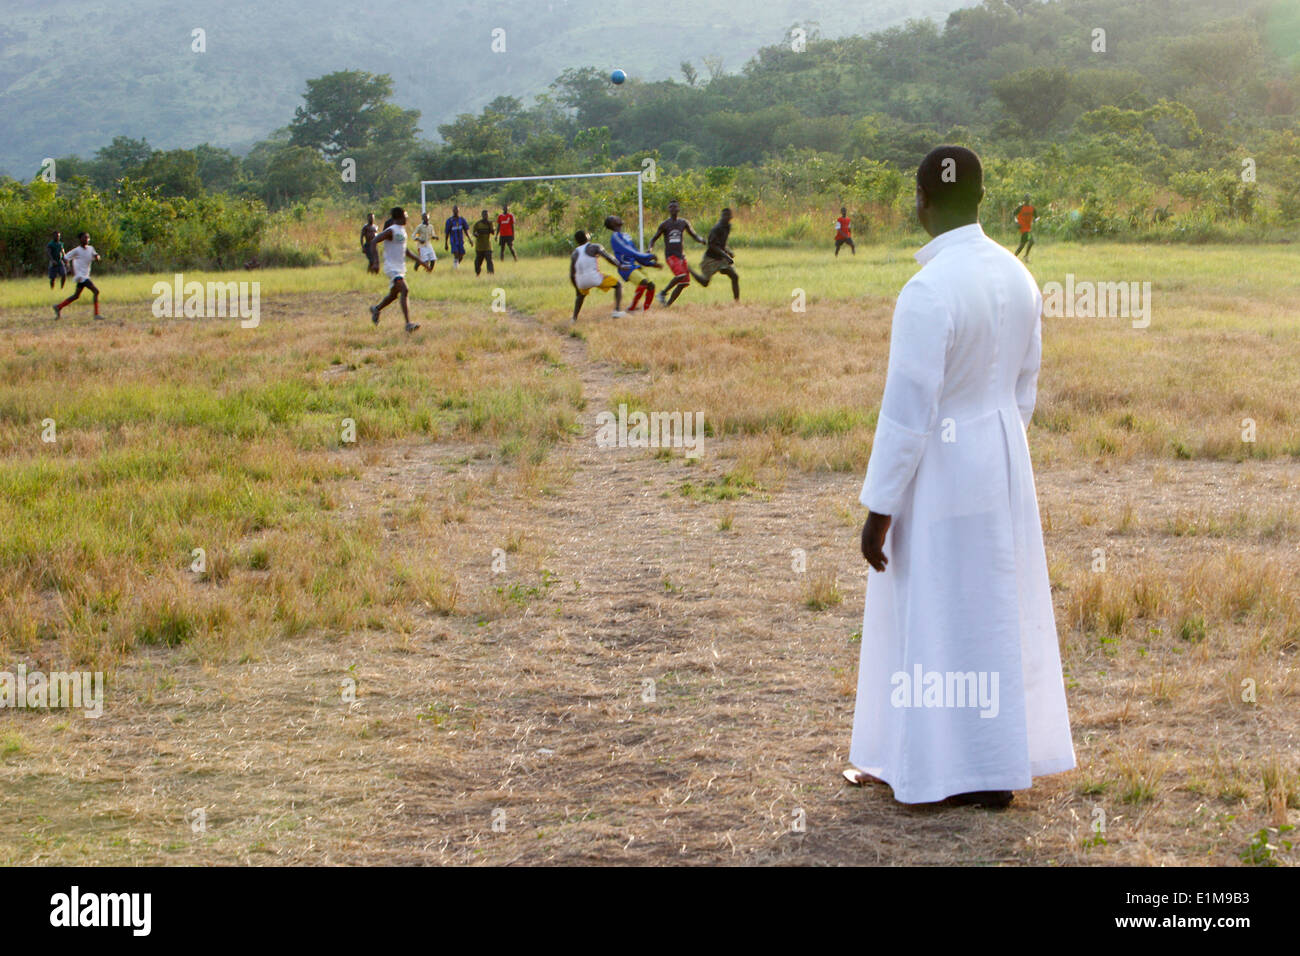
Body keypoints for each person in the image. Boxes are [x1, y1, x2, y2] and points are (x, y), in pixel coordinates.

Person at [847, 146, 1074, 809]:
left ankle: (928, 771)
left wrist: (879, 508)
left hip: (940, 470)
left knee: (933, 613)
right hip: (1002, 456)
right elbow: (1025, 390)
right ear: (980, 200)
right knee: (991, 612)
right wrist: (998, 447)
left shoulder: (927, 289)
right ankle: (993, 769)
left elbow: (908, 413)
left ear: (922, 202)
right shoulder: (1016, 275)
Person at [368, 206, 419, 333]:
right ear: (400, 217)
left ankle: (376, 309)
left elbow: (405, 250)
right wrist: (375, 262)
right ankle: (408, 324)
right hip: (391, 268)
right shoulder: (391, 230)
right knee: (404, 289)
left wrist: (421, 262)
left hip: (400, 268)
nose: (407, 217)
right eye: (406, 215)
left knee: (393, 295)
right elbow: (374, 241)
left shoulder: (402, 231)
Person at [649, 200, 706, 306]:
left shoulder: (683, 223)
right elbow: (653, 239)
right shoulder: (665, 225)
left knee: (684, 282)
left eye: (675, 207)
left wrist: (701, 240)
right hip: (671, 255)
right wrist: (650, 248)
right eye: (671, 207)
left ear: (678, 209)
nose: (673, 209)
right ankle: (662, 293)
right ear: (668, 210)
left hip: (681, 256)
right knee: (680, 275)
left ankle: (667, 305)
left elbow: (694, 235)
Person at [605, 214, 661, 311]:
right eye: (615, 218)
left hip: (634, 266)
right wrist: (647, 256)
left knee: (651, 286)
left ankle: (646, 310)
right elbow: (628, 250)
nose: (618, 217)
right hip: (626, 268)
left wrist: (650, 264)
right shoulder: (615, 236)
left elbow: (635, 253)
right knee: (643, 283)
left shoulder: (626, 236)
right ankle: (632, 307)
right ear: (612, 224)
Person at [570, 229, 624, 321]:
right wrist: (619, 265)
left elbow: (572, 275)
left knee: (580, 296)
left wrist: (577, 289)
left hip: (581, 282)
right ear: (587, 236)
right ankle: (617, 311)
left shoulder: (574, 253)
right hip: (595, 278)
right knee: (618, 285)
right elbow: (608, 257)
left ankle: (574, 318)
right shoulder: (594, 247)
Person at [53, 232, 102, 319]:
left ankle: (59, 307)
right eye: (84, 238)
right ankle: (96, 314)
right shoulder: (77, 250)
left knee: (76, 296)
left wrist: (97, 257)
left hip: (85, 275)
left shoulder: (91, 249)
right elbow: (65, 258)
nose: (86, 240)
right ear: (80, 239)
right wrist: (69, 268)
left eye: (88, 238)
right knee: (96, 291)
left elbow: (96, 257)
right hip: (80, 276)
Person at [695, 207, 740, 301]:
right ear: (721, 216)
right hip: (711, 258)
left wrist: (728, 251)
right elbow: (712, 245)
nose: (726, 217)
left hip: (721, 258)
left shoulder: (728, 226)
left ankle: (737, 302)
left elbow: (721, 243)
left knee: (734, 276)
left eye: (728, 215)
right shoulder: (717, 228)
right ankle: (689, 270)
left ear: (731, 217)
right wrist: (726, 256)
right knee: (705, 283)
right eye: (724, 215)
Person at [471, 209, 495, 275]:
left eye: (487, 215)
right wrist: (476, 234)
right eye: (484, 215)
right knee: (478, 262)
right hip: (479, 247)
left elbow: (493, 232)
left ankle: (490, 274)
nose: (486, 216)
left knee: (489, 261)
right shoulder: (478, 224)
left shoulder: (490, 223)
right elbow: (474, 233)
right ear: (482, 215)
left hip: (488, 246)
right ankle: (477, 273)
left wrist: (490, 226)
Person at [1013, 195, 1036, 262]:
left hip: (1028, 228)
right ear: (1024, 200)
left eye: (1028, 199)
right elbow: (1014, 214)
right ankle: (1025, 256)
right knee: (1031, 241)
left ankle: (1014, 257)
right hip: (1023, 228)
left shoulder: (1032, 208)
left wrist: (1035, 220)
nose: (1027, 200)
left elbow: (1037, 216)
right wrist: (1016, 222)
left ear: (1030, 200)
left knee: (1022, 244)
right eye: (1026, 199)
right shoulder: (1020, 207)